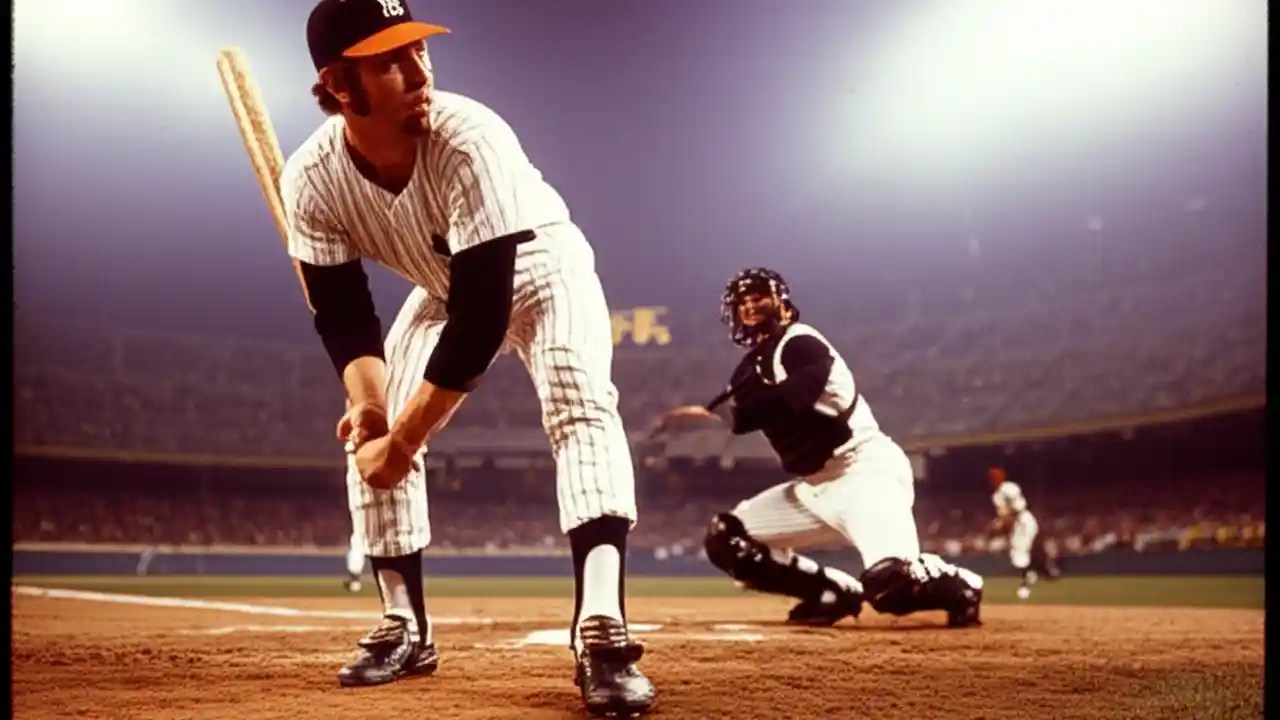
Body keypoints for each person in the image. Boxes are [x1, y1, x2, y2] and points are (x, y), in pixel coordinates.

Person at [278, 1, 655, 714]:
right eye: (390, 60)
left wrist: (406, 439)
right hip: (446, 283)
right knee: (369, 427)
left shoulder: (470, 136)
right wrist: (369, 407)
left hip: (542, 263)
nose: (419, 69)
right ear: (339, 84)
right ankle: (404, 623)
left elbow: (482, 320)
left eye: (418, 49)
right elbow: (345, 316)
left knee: (579, 400)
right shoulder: (311, 181)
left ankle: (603, 631)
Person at [653, 268, 984, 628]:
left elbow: (792, 399)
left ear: (781, 300)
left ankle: (961, 583)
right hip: (813, 487)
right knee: (726, 538)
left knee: (890, 588)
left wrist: (727, 414)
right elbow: (743, 416)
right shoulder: (748, 369)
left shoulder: (801, 342)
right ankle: (831, 591)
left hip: (863, 474)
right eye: (742, 302)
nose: (750, 307)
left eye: (758, 297)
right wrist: (712, 415)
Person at [986, 467, 1061, 599]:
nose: (993, 480)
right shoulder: (996, 496)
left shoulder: (1009, 487)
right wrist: (999, 525)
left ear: (1002, 477)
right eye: (992, 478)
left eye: (995, 477)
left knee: (1021, 550)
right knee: (1021, 551)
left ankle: (1025, 585)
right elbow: (1004, 516)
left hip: (1023, 519)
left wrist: (1001, 523)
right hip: (1016, 524)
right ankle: (1038, 573)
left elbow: (1016, 508)